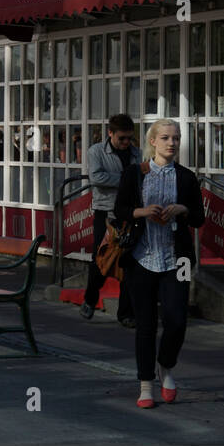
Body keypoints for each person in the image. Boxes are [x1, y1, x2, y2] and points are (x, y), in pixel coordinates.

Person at [113, 118, 205, 409]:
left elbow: (200, 218)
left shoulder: (187, 177)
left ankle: (165, 366)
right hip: (141, 259)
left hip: (178, 259)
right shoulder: (134, 174)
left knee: (177, 321)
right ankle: (145, 385)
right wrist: (141, 212)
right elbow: (119, 210)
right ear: (152, 142)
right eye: (165, 138)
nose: (172, 143)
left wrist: (183, 209)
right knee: (146, 325)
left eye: (176, 138)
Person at [81, 114, 139, 326]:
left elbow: (141, 178)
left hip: (130, 213)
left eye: (129, 139)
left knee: (129, 262)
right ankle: (90, 298)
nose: (125, 143)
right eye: (121, 138)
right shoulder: (96, 151)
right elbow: (97, 177)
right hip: (105, 212)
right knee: (101, 257)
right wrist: (126, 179)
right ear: (110, 133)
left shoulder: (135, 153)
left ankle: (125, 314)